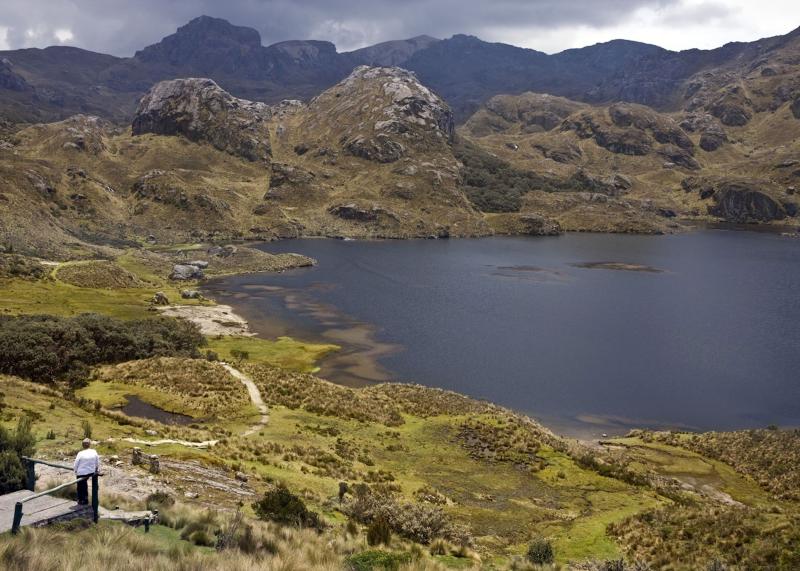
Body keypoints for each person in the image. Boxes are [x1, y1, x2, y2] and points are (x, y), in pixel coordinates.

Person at [73, 438, 100, 505]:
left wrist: (75, 471)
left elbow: (76, 463)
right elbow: (97, 461)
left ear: (82, 445)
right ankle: (85, 499)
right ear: (89, 445)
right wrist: (96, 469)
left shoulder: (80, 453)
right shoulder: (94, 451)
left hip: (82, 472)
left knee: (80, 486)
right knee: (84, 484)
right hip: (91, 471)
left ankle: (82, 500)